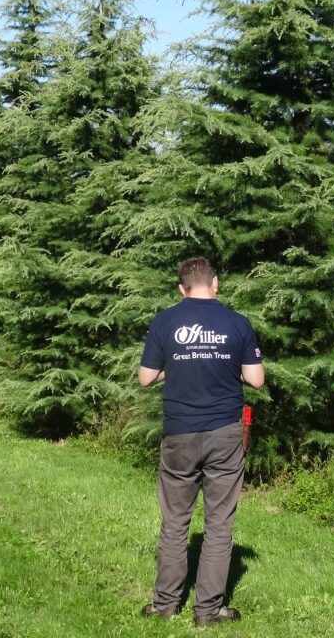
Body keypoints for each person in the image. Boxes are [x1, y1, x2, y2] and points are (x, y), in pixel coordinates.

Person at [138, 256, 265, 627]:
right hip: (225, 433)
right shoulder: (237, 323)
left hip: (179, 433)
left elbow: (146, 377)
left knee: (175, 521)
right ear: (216, 283)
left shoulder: (165, 321)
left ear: (181, 288)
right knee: (219, 524)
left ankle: (165, 605)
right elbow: (256, 379)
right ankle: (208, 612)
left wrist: (174, 369)